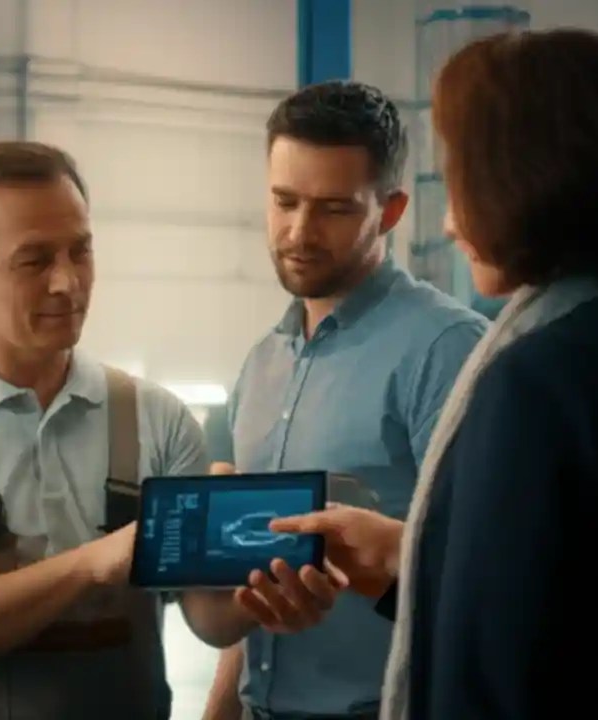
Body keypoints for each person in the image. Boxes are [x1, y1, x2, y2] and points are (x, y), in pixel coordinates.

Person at [269, 30, 598, 720]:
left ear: (525, 180)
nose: (451, 223)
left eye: (461, 180)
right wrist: (410, 561)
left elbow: (498, 677)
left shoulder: (538, 383)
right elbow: (577, 619)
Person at [0, 141, 339, 720]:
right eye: (34, 261)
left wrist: (264, 590)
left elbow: (208, 616)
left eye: (81, 251)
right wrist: (95, 563)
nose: (68, 283)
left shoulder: (156, 418)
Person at [203, 82, 487, 720]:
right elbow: (251, 582)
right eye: (284, 201)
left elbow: (489, 578)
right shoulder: (262, 363)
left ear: (390, 211)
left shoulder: (446, 351)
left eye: (333, 209)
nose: (299, 232)